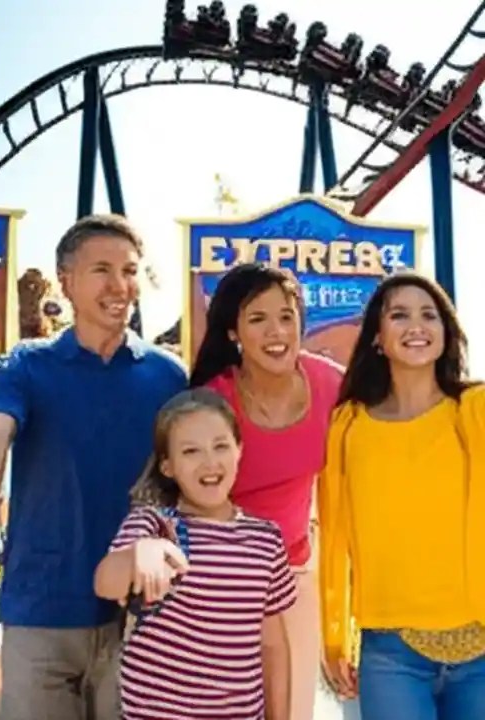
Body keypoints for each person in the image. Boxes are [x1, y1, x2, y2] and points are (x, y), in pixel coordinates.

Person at [0, 215, 187, 719]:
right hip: (42, 614)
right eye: (102, 269)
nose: (120, 285)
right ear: (67, 281)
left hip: (142, 619)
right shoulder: (27, 366)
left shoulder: (169, 377)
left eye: (129, 271)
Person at [319, 273, 485, 718]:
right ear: (377, 337)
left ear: (446, 333)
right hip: (391, 652)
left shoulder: (475, 409)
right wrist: (337, 634)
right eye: (400, 315)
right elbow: (336, 535)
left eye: (429, 315)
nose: (417, 325)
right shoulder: (348, 426)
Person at [188, 263, 343, 719]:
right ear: (234, 332)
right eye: (257, 319)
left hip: (293, 575)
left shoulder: (332, 383)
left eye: (286, 316)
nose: (276, 331)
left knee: (292, 710)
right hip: (217, 578)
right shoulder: (212, 400)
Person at [96, 389, 294, 719]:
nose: (210, 462)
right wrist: (138, 554)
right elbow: (105, 582)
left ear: (239, 450)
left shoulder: (266, 541)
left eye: (221, 446)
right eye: (191, 451)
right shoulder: (154, 525)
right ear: (168, 466)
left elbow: (273, 647)